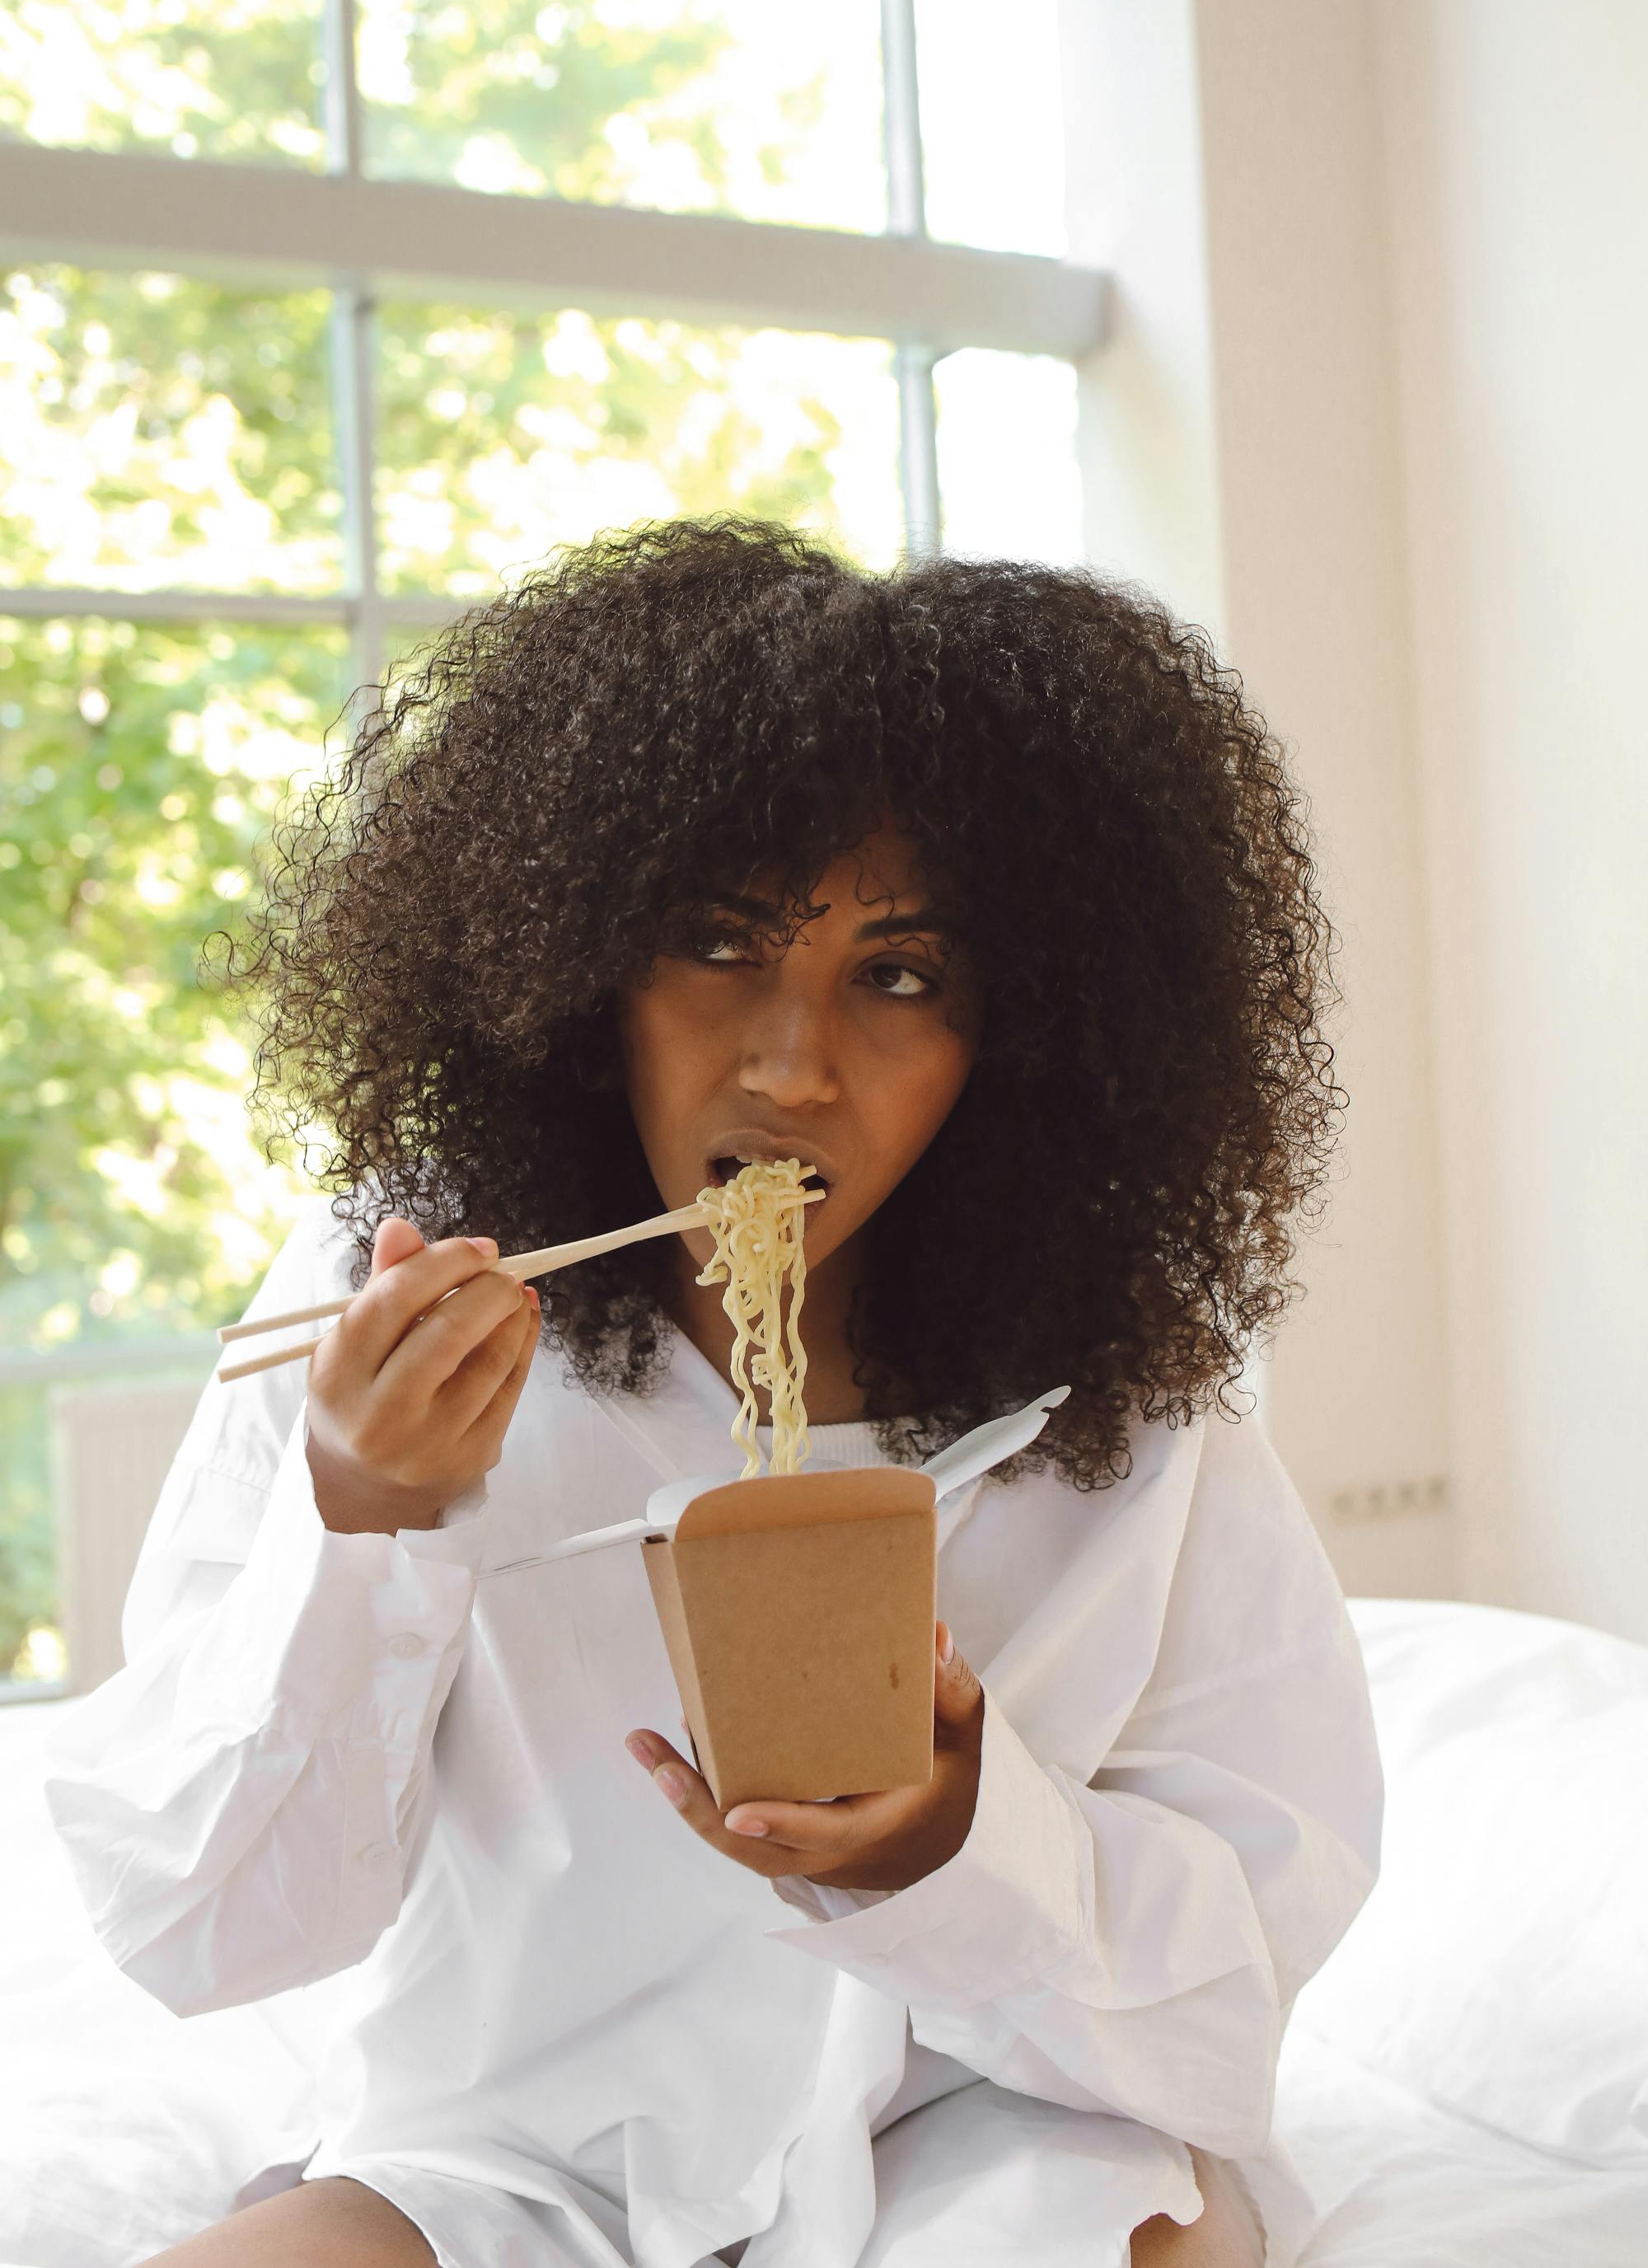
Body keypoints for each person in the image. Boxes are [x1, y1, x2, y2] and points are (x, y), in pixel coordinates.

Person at [44, 518, 1382, 2267]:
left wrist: (952, 1849)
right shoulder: (391, 1312)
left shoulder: (1129, 1399)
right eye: (720, 946)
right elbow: (199, 1931)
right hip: (515, 2144)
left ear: (1029, 1033)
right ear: (585, 971)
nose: (791, 1064)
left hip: (990, 2131)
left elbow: (1239, 1967)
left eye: (898, 976)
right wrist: (361, 1532)